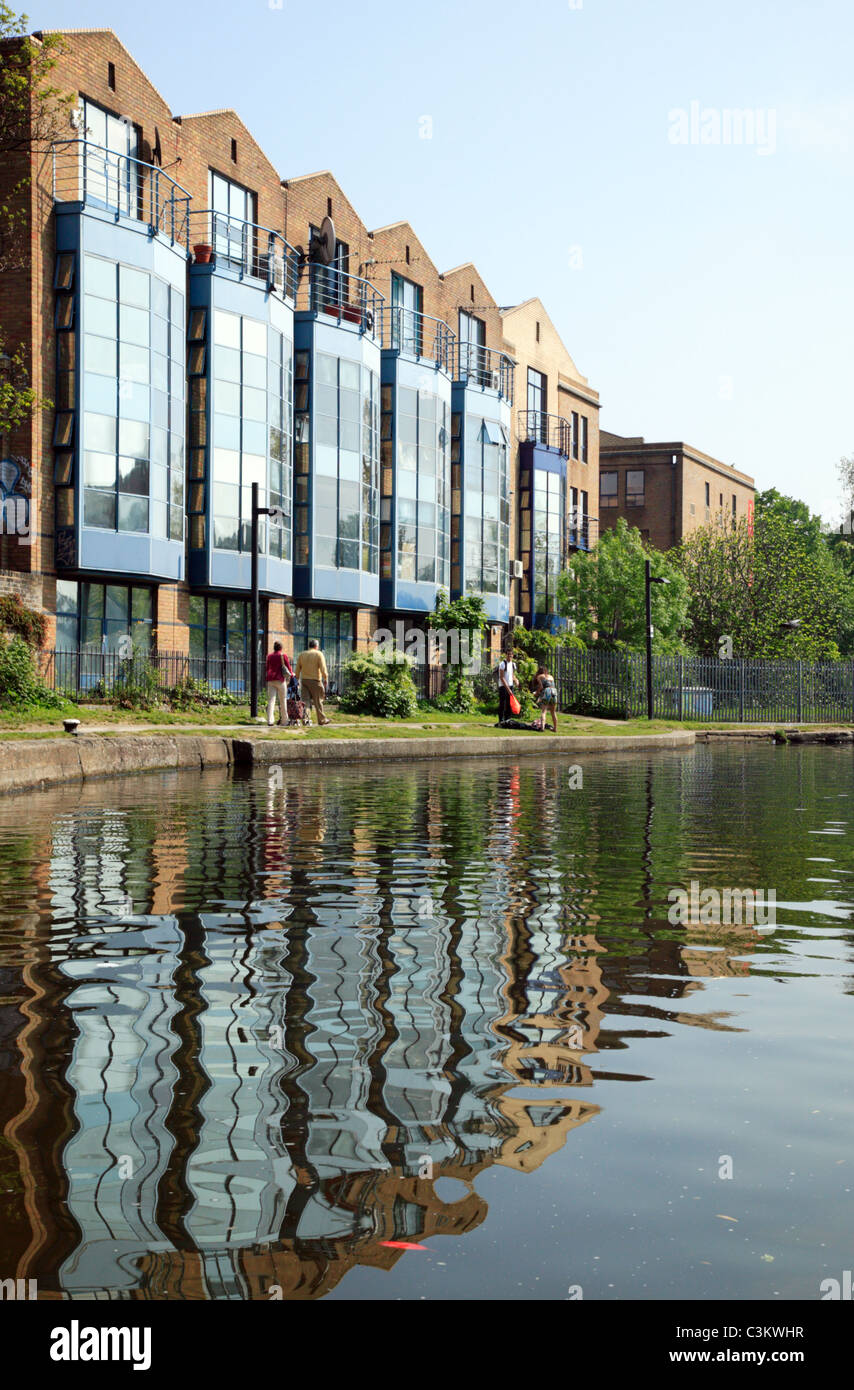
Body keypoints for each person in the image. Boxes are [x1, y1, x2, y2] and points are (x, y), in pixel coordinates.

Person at [296, 638, 330, 725]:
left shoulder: (302, 654)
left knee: (305, 701)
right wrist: (325, 678)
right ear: (316, 646)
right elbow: (323, 668)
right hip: (315, 681)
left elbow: (297, 669)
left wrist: (297, 679)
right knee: (318, 701)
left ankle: (306, 719)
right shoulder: (319, 654)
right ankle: (321, 720)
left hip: (304, 680)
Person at [265, 641, 294, 727]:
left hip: (270, 680)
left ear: (274, 648)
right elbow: (288, 667)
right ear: (281, 648)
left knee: (271, 700)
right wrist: (291, 674)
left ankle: (270, 720)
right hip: (280, 680)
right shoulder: (283, 656)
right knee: (283, 700)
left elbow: (267, 668)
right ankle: (284, 721)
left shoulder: (269, 656)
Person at [533, 664, 558, 732]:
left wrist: (536, 693)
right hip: (554, 691)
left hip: (547, 691)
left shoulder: (539, 676)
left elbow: (541, 687)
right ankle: (555, 728)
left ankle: (542, 727)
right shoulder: (551, 676)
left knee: (544, 711)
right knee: (553, 712)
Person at [496, 644, 516, 726]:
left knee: (509, 703)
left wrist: (516, 680)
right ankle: (501, 720)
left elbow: (512, 675)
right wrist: (508, 689)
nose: (509, 656)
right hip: (503, 686)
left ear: (512, 655)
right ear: (506, 655)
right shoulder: (502, 664)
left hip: (510, 685)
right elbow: (501, 677)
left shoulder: (513, 664)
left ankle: (508, 720)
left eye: (511, 654)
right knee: (502, 703)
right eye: (508, 654)